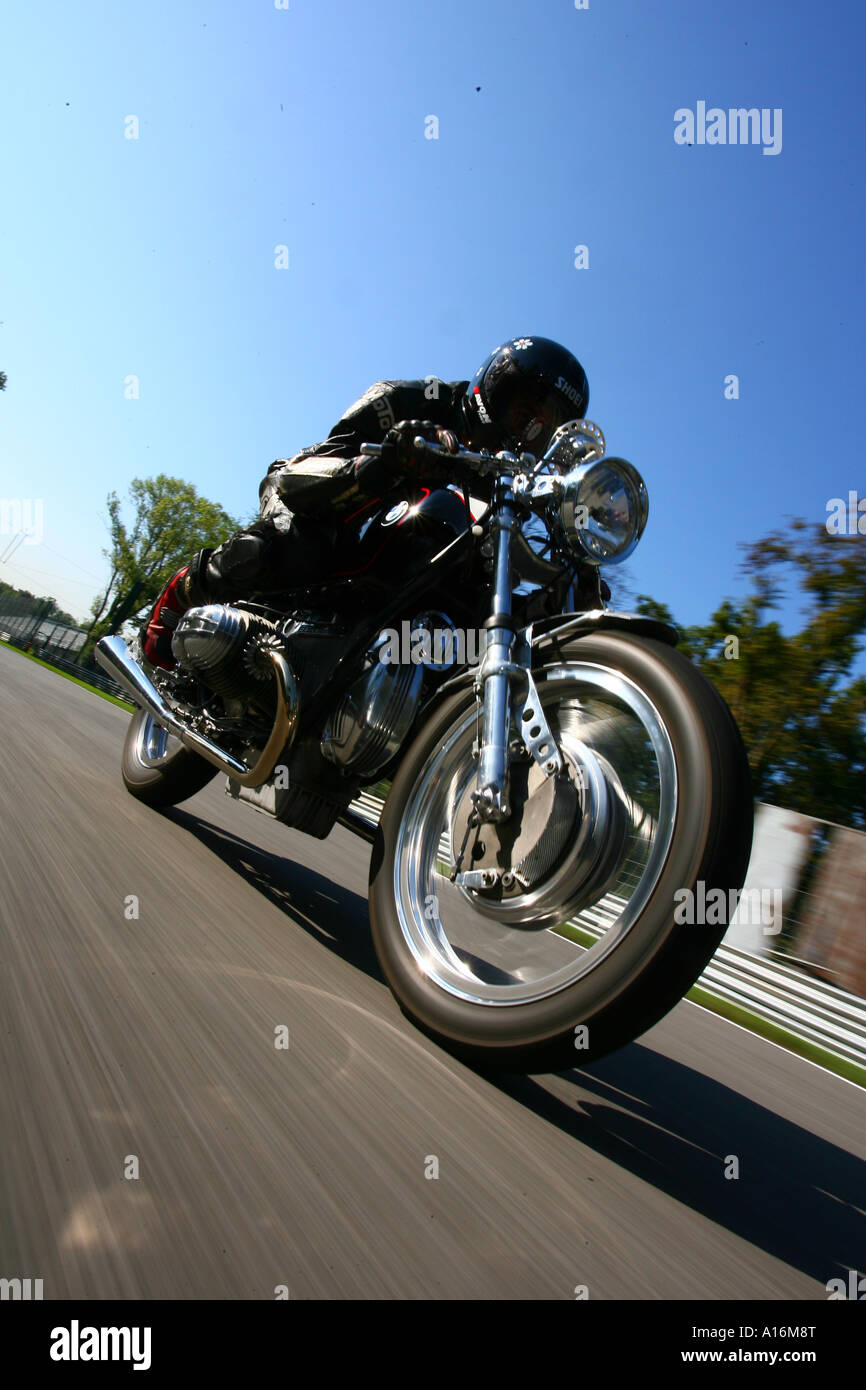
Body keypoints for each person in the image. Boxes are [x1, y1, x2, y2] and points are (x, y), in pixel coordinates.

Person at [142, 336, 590, 667]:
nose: (525, 434)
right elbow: (317, 466)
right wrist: (394, 460)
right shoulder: (416, 399)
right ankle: (185, 591)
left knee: (473, 622)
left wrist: (559, 597)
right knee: (301, 542)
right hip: (322, 493)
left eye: (541, 431)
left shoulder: (512, 488)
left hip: (404, 564)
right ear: (496, 386)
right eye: (523, 415)